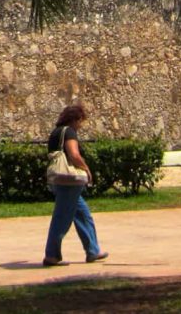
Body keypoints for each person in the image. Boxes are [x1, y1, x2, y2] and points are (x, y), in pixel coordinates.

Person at [43, 102, 108, 266]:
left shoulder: (56, 132)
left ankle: (93, 250)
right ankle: (52, 255)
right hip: (69, 182)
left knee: (83, 215)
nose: (81, 125)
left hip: (59, 180)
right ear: (75, 119)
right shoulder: (69, 132)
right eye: (81, 121)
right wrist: (86, 169)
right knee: (62, 218)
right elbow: (73, 154)